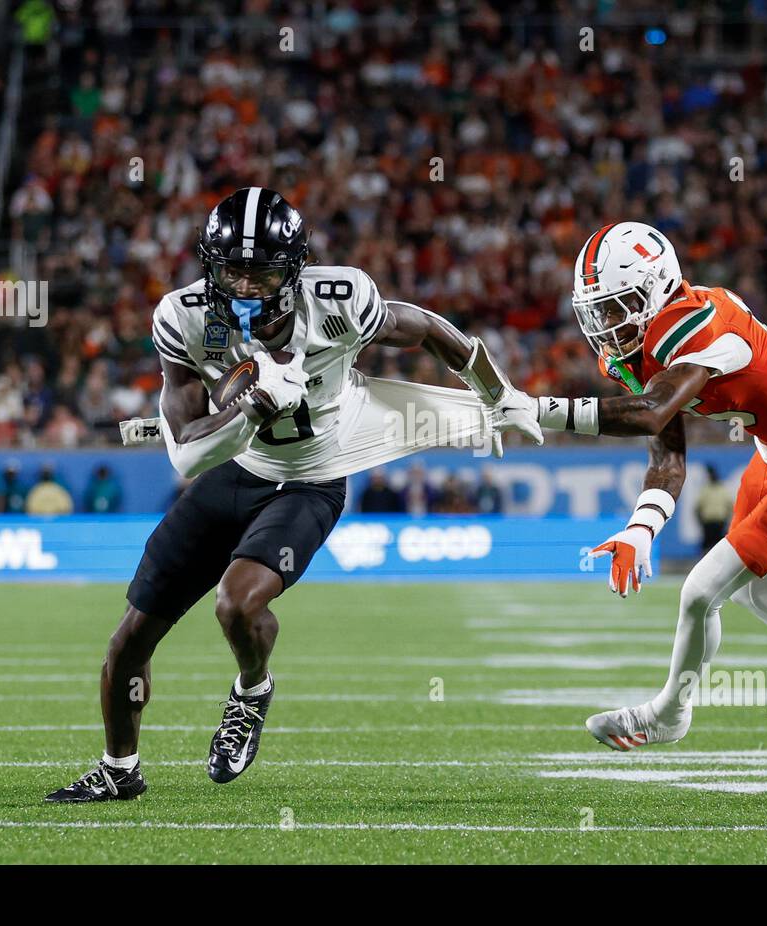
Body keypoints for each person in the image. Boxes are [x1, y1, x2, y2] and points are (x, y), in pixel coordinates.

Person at [46, 188, 539, 802]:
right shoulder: (185, 316)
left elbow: (431, 331)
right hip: (234, 471)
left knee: (237, 605)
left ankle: (252, 691)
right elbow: (187, 451)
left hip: (311, 476)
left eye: (264, 271)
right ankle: (120, 772)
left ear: (296, 269)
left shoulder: (341, 302)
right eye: (234, 270)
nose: (248, 287)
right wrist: (251, 410)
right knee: (130, 639)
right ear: (210, 265)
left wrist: (496, 394)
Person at [501, 221, 767, 783]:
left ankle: (670, 712)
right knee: (764, 598)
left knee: (700, 591)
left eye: (618, 306)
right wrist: (640, 529)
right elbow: (666, 453)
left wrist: (538, 409)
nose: (607, 325)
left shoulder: (703, 325)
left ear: (657, 286)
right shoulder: (642, 349)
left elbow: (650, 411)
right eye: (597, 311)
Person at [694, 464, 732, 553]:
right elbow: (697, 508)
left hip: (719, 523)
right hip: (708, 523)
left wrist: (726, 520)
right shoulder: (706, 489)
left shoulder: (721, 489)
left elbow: (730, 506)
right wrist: (701, 521)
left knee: (718, 548)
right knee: (707, 547)